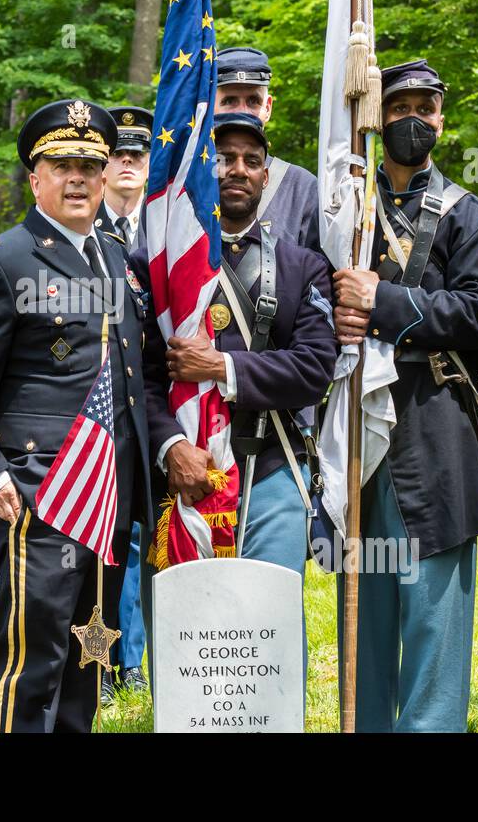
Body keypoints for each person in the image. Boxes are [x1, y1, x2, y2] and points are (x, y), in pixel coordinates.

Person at [0, 98, 152, 733]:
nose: (78, 177)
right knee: (29, 663)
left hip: (107, 488)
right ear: (35, 177)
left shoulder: (112, 259)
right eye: (61, 165)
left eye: (90, 163)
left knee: (88, 656)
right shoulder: (4, 259)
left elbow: (129, 375)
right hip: (38, 490)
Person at [331, 59, 478, 732]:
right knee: (365, 608)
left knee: (433, 614)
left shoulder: (472, 216)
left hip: (436, 424)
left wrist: (382, 302)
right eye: (399, 106)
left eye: (425, 108)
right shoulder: (346, 211)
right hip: (355, 426)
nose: (413, 119)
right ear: (379, 116)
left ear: (441, 116)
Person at [143, 111, 338, 688]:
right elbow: (143, 376)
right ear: (206, 168)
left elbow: (313, 368)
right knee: (190, 633)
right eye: (224, 157)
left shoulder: (304, 266)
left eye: (252, 161)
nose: (238, 170)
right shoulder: (161, 266)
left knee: (267, 628)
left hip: (272, 466)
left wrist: (221, 365)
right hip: (186, 475)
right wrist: (169, 443)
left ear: (266, 174)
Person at [93, 104, 152, 698]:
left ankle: (130, 657)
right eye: (120, 154)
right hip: (93, 404)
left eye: (139, 153)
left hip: (147, 403)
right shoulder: (85, 227)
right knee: (95, 538)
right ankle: (97, 654)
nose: (130, 162)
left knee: (138, 534)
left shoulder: (166, 232)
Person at [214, 46, 321, 253]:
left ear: (268, 108)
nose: (243, 113)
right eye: (230, 101)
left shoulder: (302, 188)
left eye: (253, 101)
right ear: (210, 106)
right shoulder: (182, 184)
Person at [94, 106, 152, 254]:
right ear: (101, 163)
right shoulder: (83, 223)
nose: (127, 159)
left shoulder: (165, 224)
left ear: (151, 164)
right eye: (117, 153)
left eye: (137, 153)